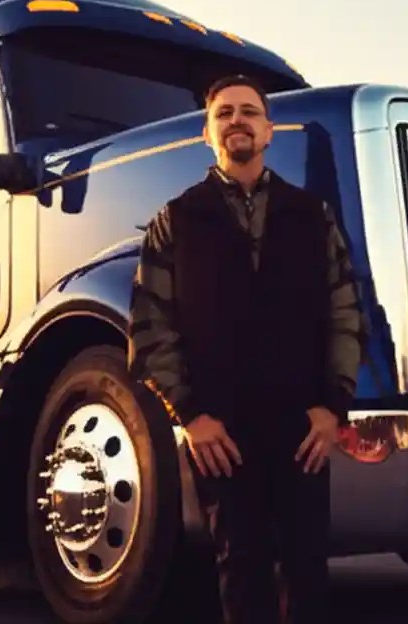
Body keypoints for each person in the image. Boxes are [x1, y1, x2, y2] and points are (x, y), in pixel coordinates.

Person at [128, 73, 367, 623]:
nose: (237, 120)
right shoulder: (176, 220)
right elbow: (150, 325)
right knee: (241, 565)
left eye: (250, 112)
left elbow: (344, 311)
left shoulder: (312, 216)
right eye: (225, 113)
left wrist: (333, 406)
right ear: (207, 135)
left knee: (308, 567)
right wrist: (190, 416)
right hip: (221, 430)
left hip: (303, 425)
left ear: (269, 130)